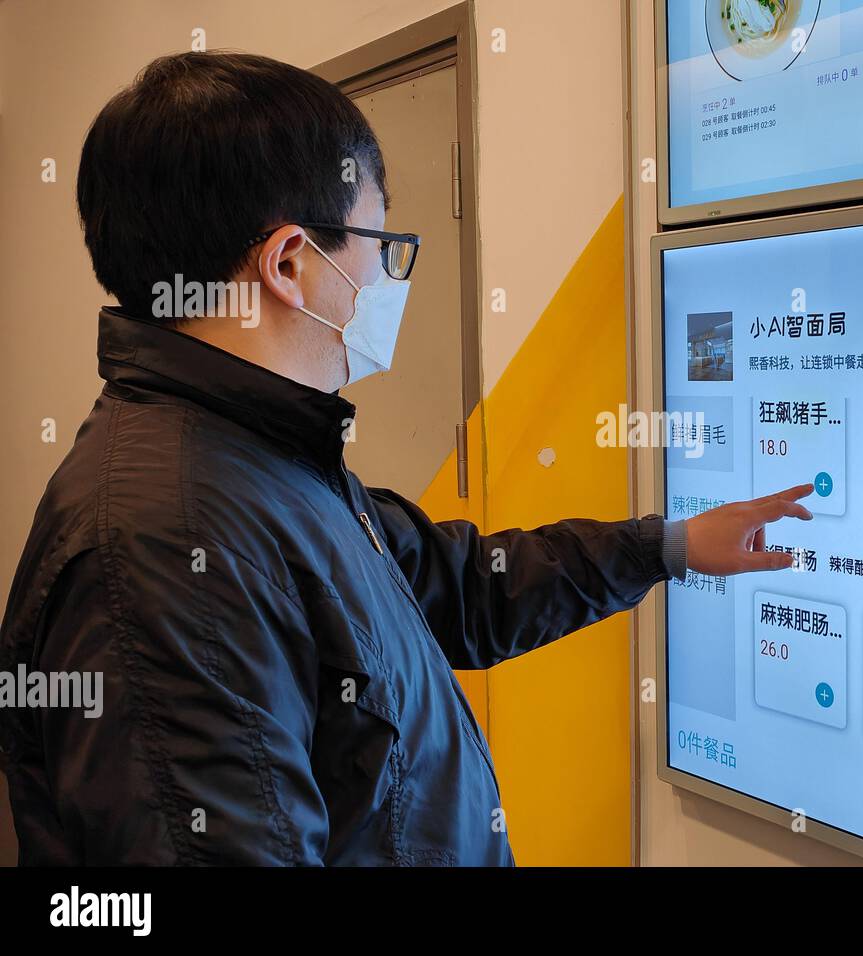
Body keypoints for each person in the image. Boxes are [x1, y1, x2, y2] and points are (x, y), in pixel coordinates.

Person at [0, 51, 813, 865]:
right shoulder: (167, 544)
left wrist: (667, 546)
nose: (390, 276)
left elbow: (455, 588)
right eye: (378, 243)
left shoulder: (261, 455)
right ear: (289, 264)